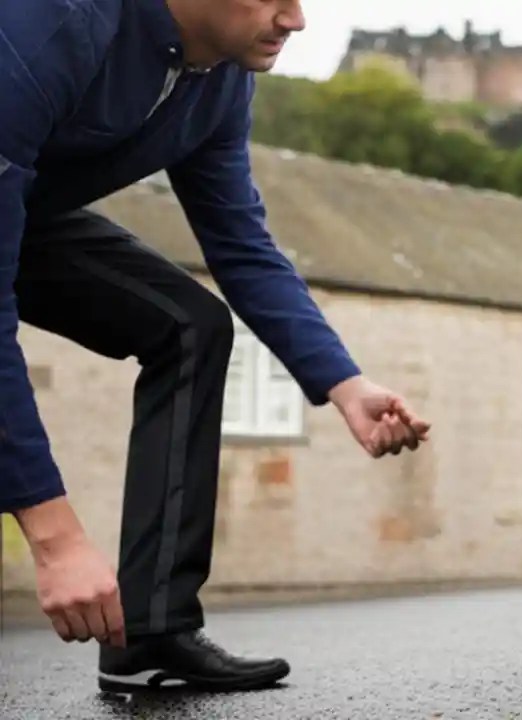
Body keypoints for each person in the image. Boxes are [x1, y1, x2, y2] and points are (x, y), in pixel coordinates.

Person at [0, 0, 431, 693]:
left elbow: (242, 245)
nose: (296, 20)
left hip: (19, 215)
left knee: (188, 325)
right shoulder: (53, 23)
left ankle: (152, 627)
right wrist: (55, 539)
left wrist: (345, 385)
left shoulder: (220, 82)